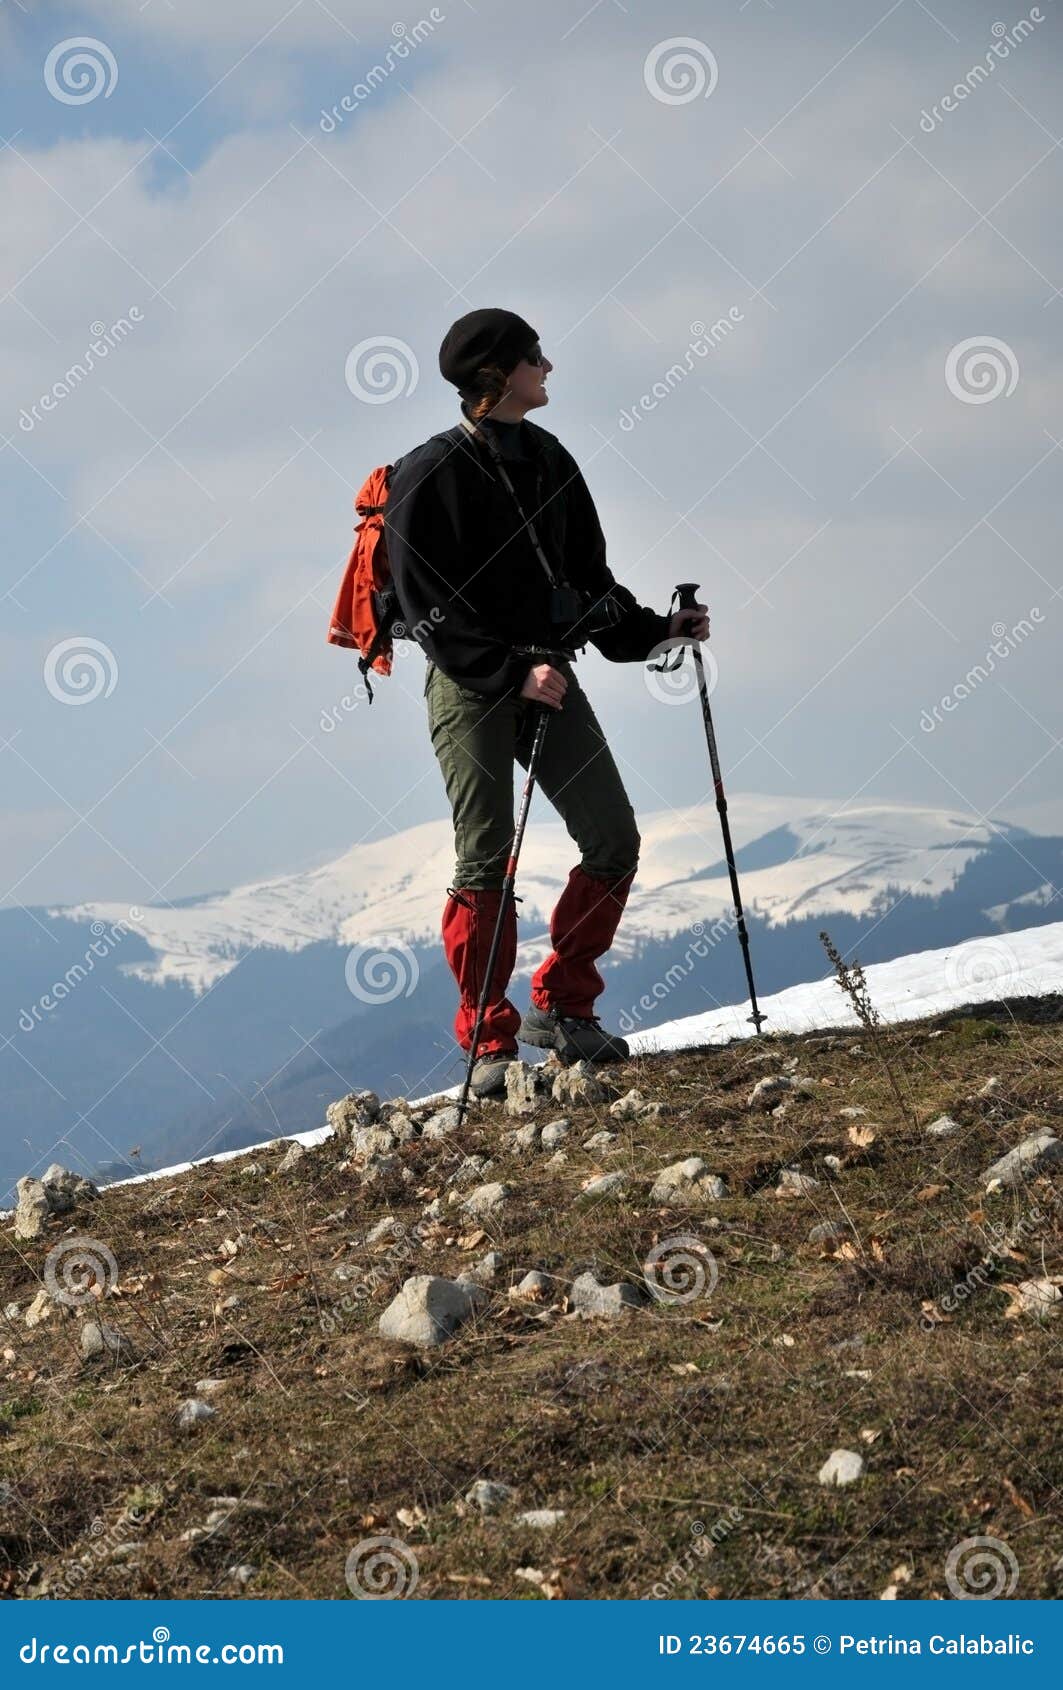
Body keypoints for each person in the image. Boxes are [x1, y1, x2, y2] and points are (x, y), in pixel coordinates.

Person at [385, 307, 708, 1097]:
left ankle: (562, 1008)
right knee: (485, 856)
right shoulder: (426, 476)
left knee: (612, 838)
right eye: (534, 356)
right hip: (472, 688)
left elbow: (589, 579)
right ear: (496, 374)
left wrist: (656, 630)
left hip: (549, 677)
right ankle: (488, 1042)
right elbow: (426, 607)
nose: (548, 367)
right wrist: (509, 673)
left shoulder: (550, 459)